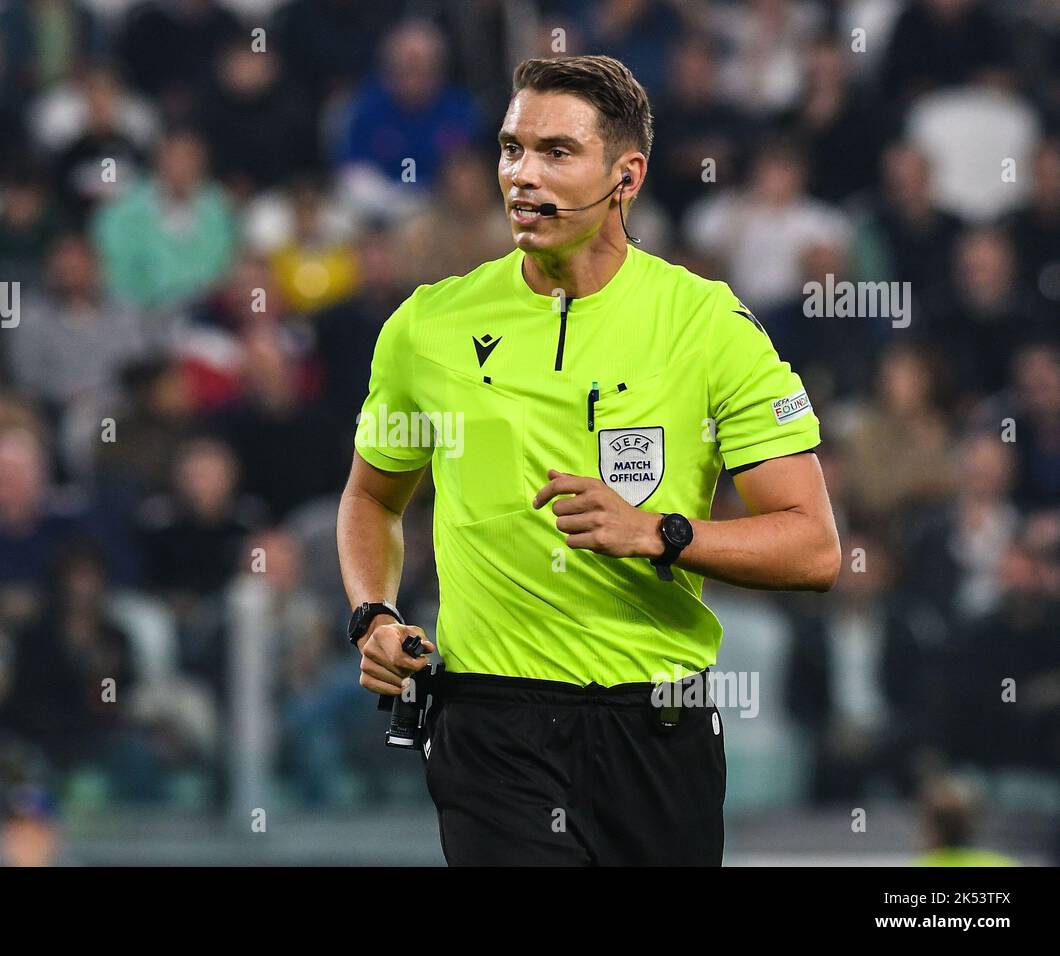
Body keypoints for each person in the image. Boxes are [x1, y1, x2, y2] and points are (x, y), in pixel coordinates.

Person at [336, 54, 840, 866]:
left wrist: (661, 533)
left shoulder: (706, 325)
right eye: (511, 149)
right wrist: (375, 614)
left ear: (626, 176)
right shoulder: (425, 327)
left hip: (658, 731)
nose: (522, 176)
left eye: (557, 153)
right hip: (490, 726)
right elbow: (372, 500)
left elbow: (814, 547)